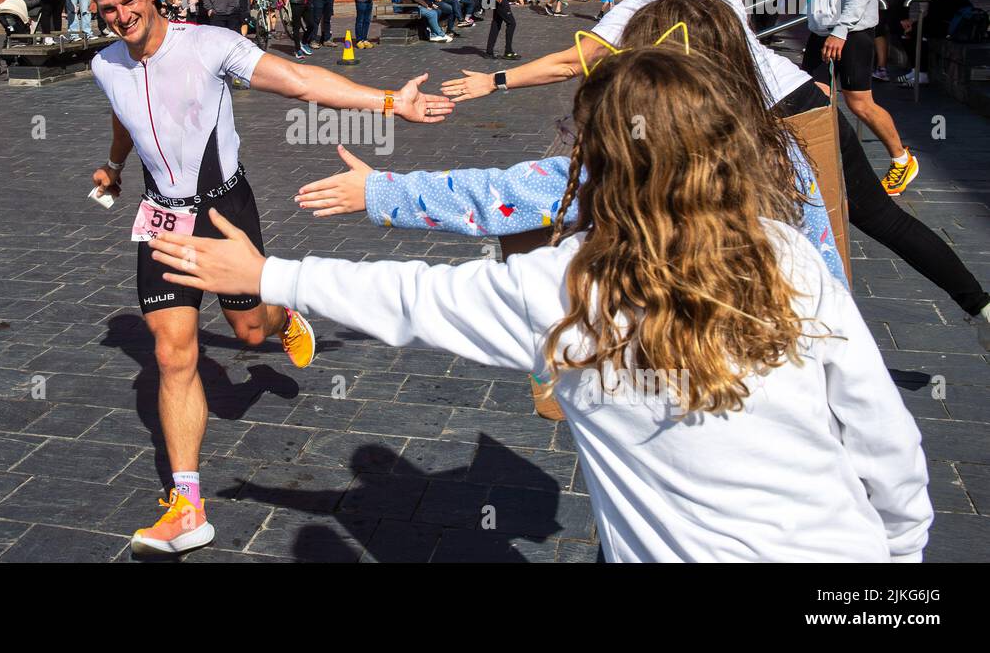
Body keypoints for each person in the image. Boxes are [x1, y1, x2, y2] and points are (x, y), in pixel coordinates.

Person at [152, 46, 933, 563]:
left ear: (595, 162)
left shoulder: (567, 285)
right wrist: (898, 555)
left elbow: (411, 297)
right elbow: (882, 437)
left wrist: (274, 273)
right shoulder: (786, 250)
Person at [439, 0, 990, 342]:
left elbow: (575, 59)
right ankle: (975, 300)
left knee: (796, 246)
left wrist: (497, 82)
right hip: (809, 106)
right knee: (875, 219)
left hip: (780, 129)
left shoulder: (643, 2)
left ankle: (817, 363)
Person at [85, 0, 455, 554]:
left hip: (222, 211)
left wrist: (391, 103)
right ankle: (187, 507)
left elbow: (300, 80)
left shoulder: (209, 44)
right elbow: (125, 114)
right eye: (108, 9)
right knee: (171, 353)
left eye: (129, 1)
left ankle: (281, 313)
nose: (122, 15)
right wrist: (116, 164)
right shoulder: (104, 63)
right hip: (161, 218)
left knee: (251, 332)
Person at [295, 0, 847, 288]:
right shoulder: (783, 150)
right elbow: (826, 267)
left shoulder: (621, 161)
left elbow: (493, 196)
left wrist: (378, 191)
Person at [802, 0, 918, 196]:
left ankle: (901, 159)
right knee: (812, 97)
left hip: (849, 32)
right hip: (823, 31)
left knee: (860, 103)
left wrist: (840, 29)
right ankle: (817, 168)